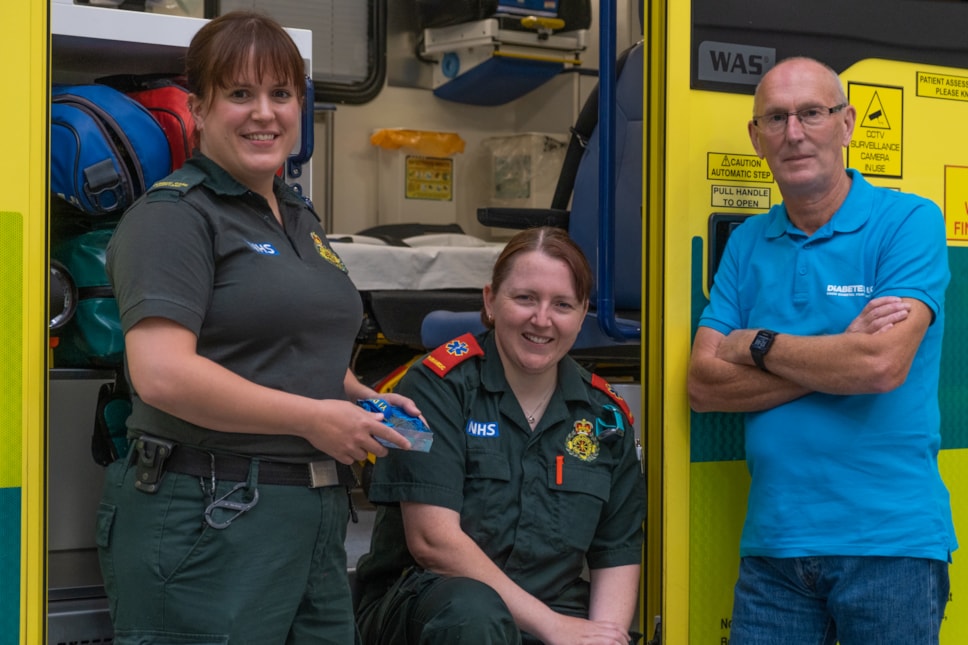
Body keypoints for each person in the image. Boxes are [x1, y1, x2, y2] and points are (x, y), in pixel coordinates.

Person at [96, 11, 419, 644]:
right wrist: (312, 417)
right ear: (199, 108)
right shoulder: (173, 218)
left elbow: (284, 340)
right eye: (239, 94)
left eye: (280, 94)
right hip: (209, 516)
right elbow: (162, 375)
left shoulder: (298, 214)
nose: (263, 113)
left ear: (301, 106)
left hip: (311, 516)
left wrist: (354, 393)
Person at [687, 56, 956, 645]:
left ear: (847, 123)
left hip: (891, 549)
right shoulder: (748, 243)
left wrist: (757, 343)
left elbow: (881, 365)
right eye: (776, 118)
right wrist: (842, 354)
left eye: (812, 112)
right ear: (756, 138)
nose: (794, 132)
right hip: (775, 550)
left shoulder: (908, 221)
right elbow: (703, 385)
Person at [354, 226, 647, 645]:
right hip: (432, 610)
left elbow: (616, 550)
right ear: (491, 301)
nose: (541, 319)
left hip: (553, 612)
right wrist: (554, 627)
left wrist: (606, 636)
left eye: (562, 304)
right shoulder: (427, 386)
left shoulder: (607, 417)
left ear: (583, 315)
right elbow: (431, 542)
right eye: (525, 298)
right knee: (475, 614)